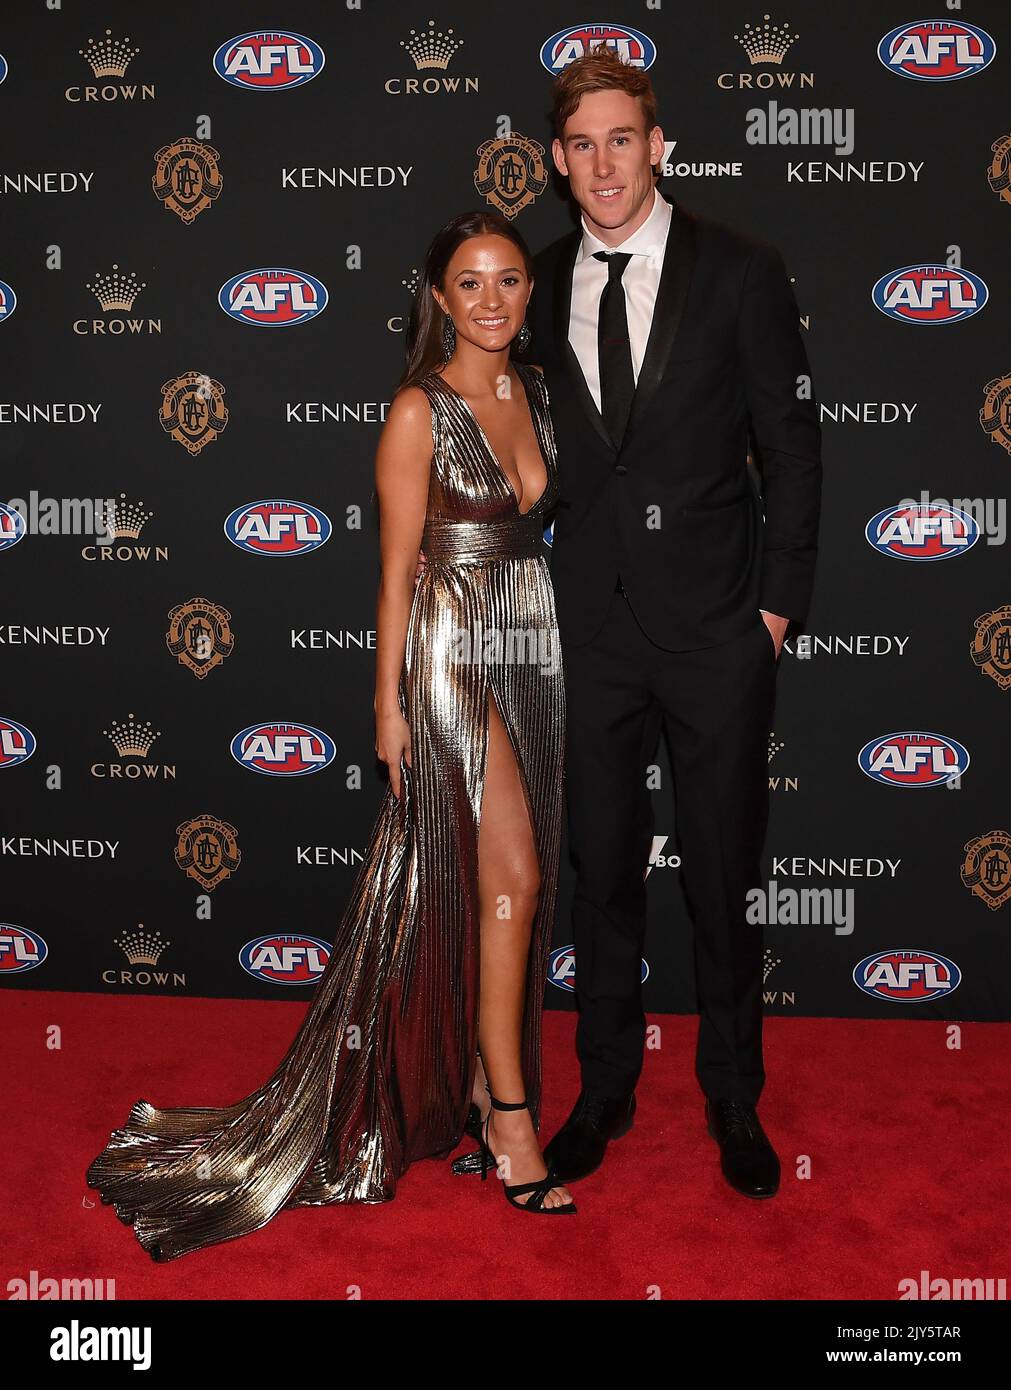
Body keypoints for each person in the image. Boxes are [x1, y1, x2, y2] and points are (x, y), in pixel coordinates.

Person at [84, 210, 575, 1261]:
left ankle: (491, 1092)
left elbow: (533, 525)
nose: (492, 300)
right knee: (517, 872)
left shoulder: (531, 392)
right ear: (438, 297)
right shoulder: (418, 408)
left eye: (509, 281)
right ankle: (512, 1112)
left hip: (530, 643)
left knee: (511, 883)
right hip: (450, 651)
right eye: (470, 283)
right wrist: (389, 706)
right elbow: (396, 567)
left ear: (529, 293)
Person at [527, 47, 823, 1197]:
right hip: (591, 631)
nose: (604, 163)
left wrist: (778, 608)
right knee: (599, 874)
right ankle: (604, 1093)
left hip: (714, 632)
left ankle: (734, 1099)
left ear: (659, 146)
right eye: (582, 144)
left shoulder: (744, 270)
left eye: (622, 138)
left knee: (721, 876)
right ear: (560, 162)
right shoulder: (539, 284)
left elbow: (792, 447)